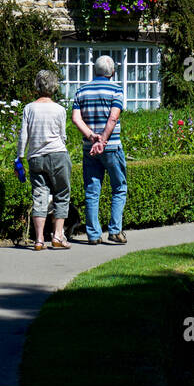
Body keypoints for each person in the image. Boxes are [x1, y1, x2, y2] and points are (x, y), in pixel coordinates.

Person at [72, 55, 127, 245]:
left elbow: (76, 119)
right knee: (119, 187)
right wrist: (102, 140)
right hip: (111, 147)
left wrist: (91, 137)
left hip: (90, 148)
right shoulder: (117, 90)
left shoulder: (81, 91)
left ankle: (94, 234)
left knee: (92, 190)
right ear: (112, 72)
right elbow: (113, 118)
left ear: (95, 71)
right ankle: (115, 230)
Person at [17, 70, 71, 251]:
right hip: (57, 155)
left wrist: (20, 156)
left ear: (37, 86)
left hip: (36, 157)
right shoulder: (60, 109)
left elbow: (23, 135)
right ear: (54, 87)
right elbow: (63, 136)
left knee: (39, 196)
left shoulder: (29, 108)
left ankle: (39, 240)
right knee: (62, 194)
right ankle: (57, 236)